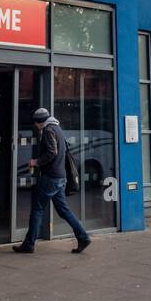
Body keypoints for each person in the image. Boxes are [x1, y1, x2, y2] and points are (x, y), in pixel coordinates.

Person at [13, 107, 91, 254]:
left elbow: (52, 152)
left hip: (51, 177)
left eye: (35, 123)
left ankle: (29, 244)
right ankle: (83, 237)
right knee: (64, 210)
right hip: (60, 177)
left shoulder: (48, 130)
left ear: (39, 121)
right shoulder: (58, 128)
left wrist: (36, 162)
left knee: (37, 209)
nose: (35, 126)